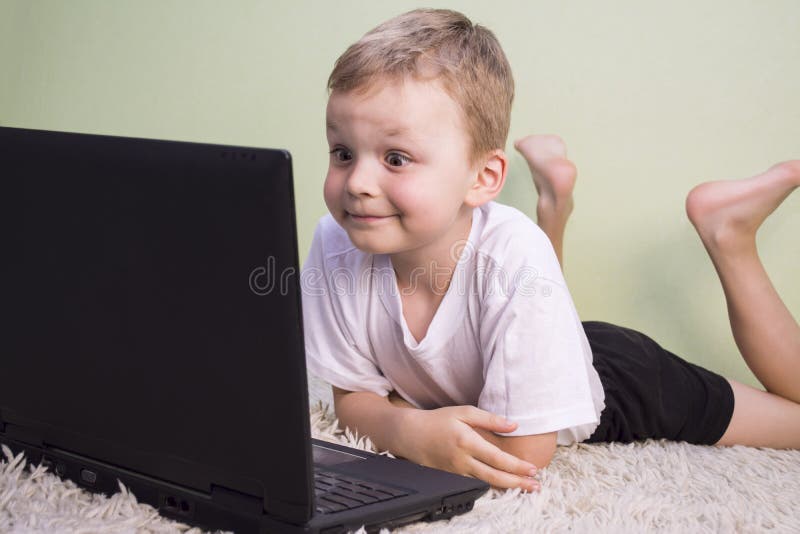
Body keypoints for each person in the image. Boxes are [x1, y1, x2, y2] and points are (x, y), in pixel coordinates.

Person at [301, 8, 800, 493]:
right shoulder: (336, 240)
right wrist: (404, 429)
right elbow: (354, 399)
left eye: (396, 158)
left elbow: (521, 456)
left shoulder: (515, 252)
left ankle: (728, 234)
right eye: (343, 152)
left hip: (622, 376)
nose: (358, 183)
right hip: (514, 340)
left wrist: (403, 421)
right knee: (515, 273)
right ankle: (554, 200)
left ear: (483, 178)